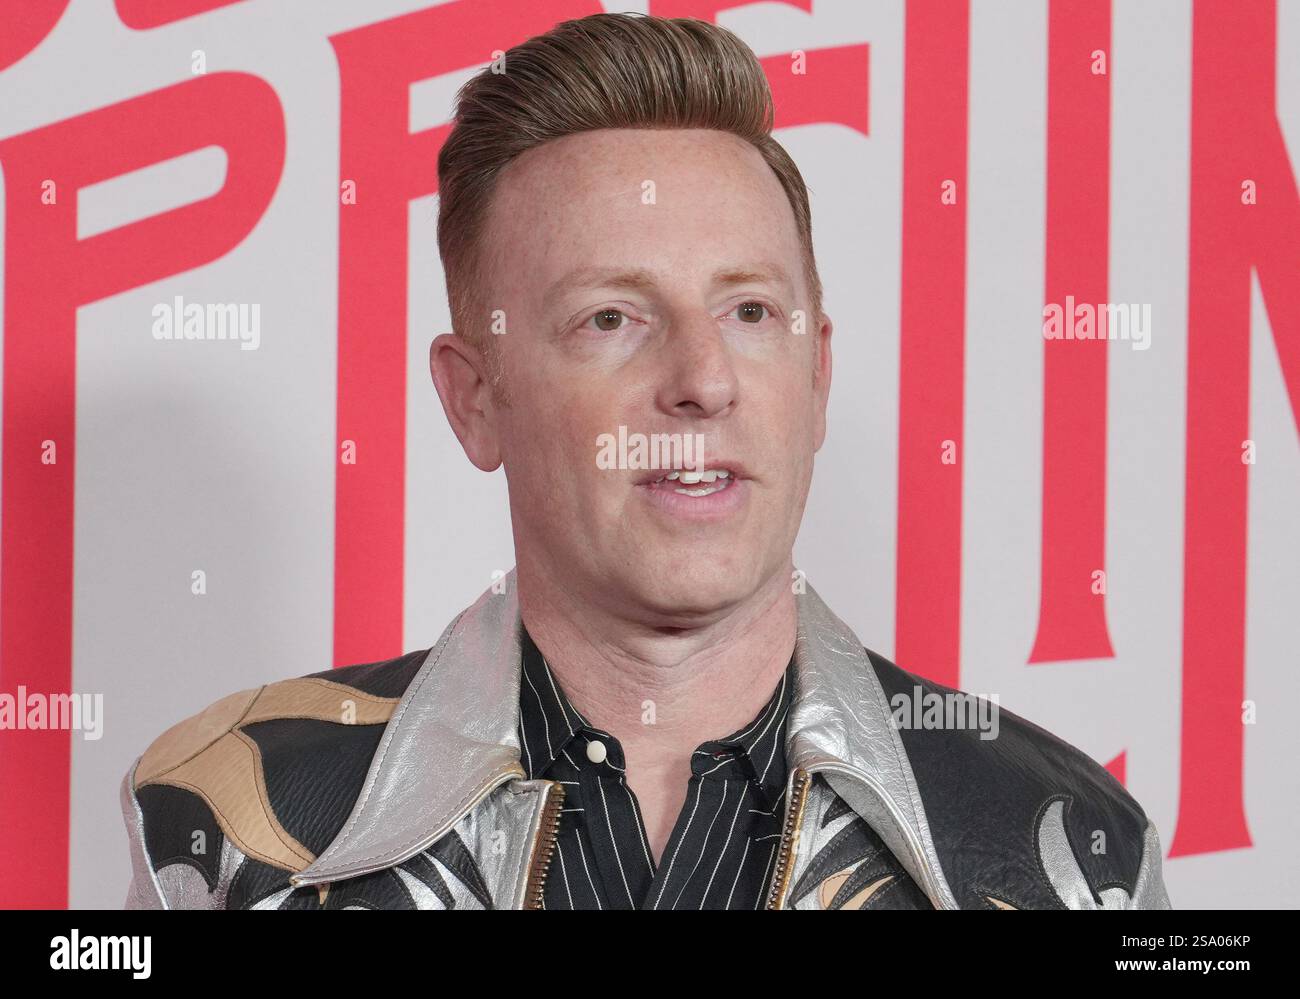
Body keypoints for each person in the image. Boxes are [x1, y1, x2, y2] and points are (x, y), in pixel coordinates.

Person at [120, 11, 1171, 910]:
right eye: (612, 318)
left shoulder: (1068, 851)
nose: (703, 379)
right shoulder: (231, 826)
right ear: (475, 400)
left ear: (815, 377)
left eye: (749, 310)